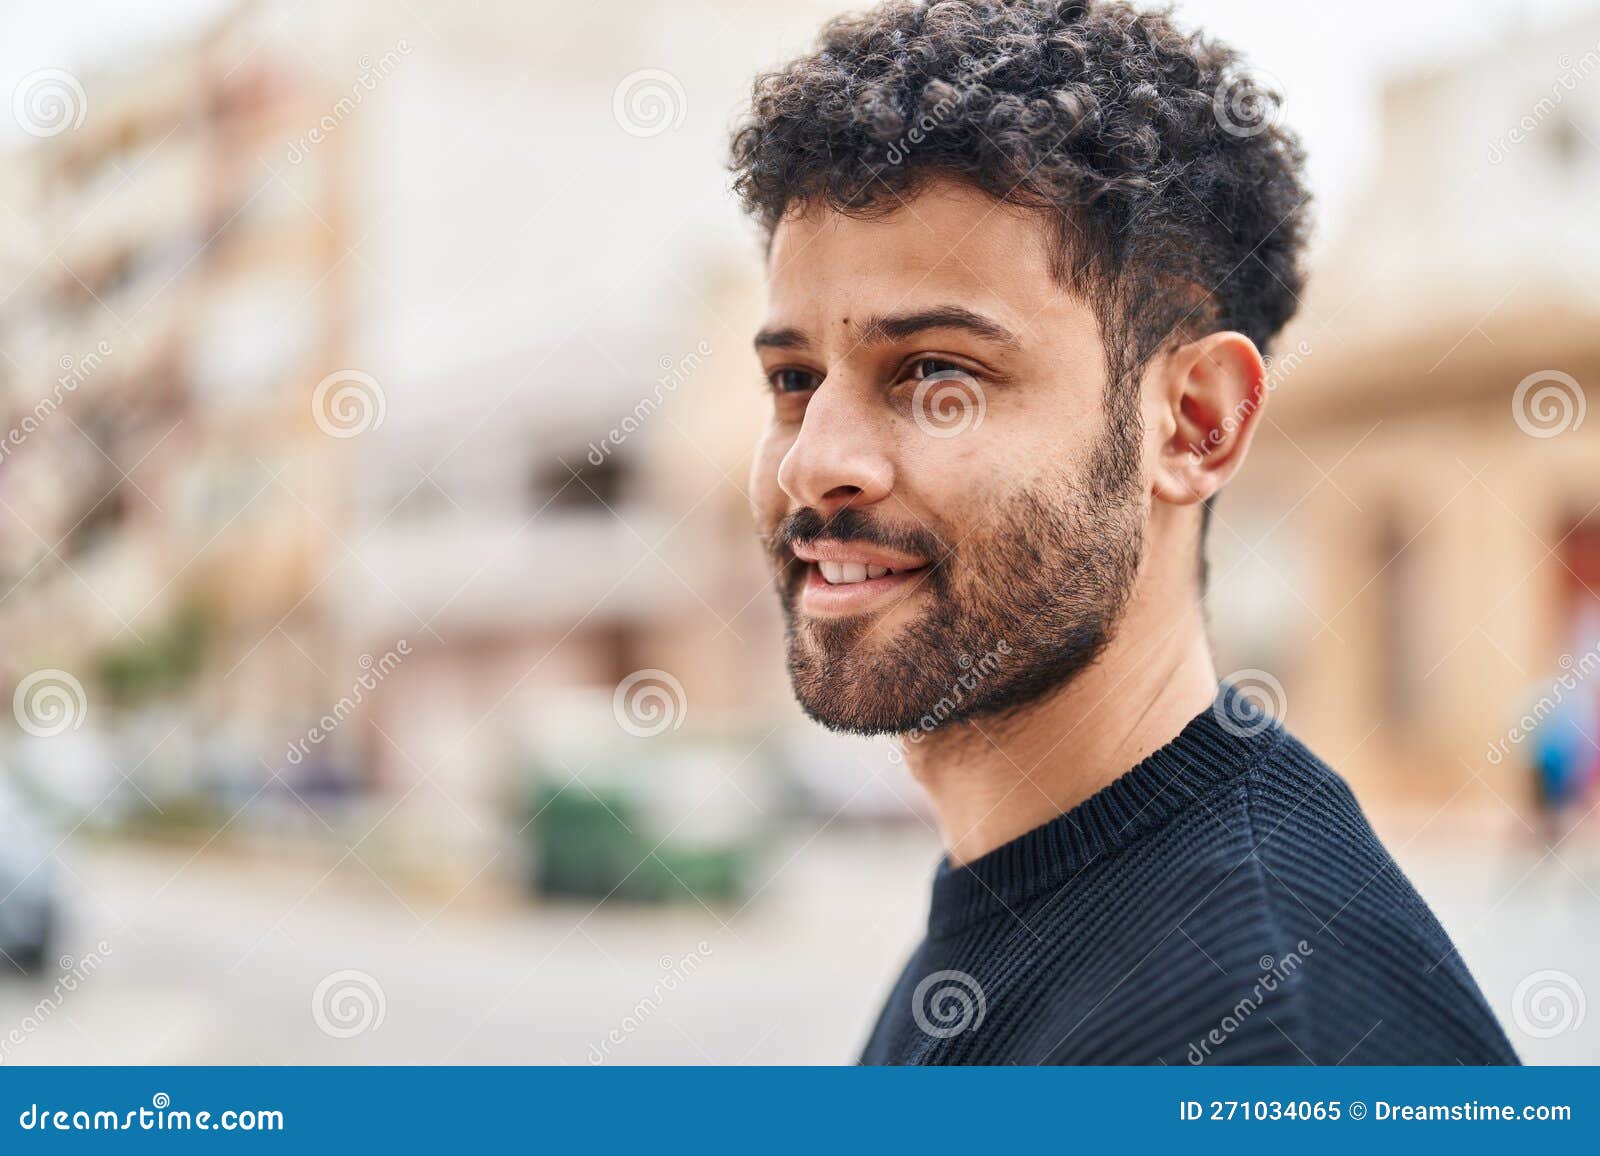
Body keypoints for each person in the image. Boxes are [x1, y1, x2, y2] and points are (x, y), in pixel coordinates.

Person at [730, 0, 1517, 1064]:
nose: (812, 461)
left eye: (935, 374)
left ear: (1193, 424)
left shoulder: (1276, 1046)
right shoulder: (1010, 903)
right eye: (793, 379)